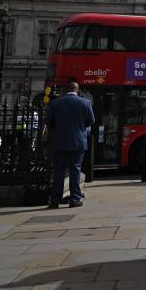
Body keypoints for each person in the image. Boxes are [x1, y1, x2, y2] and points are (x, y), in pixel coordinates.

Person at [47, 81, 95, 209]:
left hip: (59, 142)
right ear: (77, 90)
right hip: (78, 142)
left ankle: (55, 200)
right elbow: (91, 121)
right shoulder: (85, 103)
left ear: (65, 90)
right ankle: (74, 199)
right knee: (75, 170)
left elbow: (49, 122)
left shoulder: (56, 103)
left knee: (58, 171)